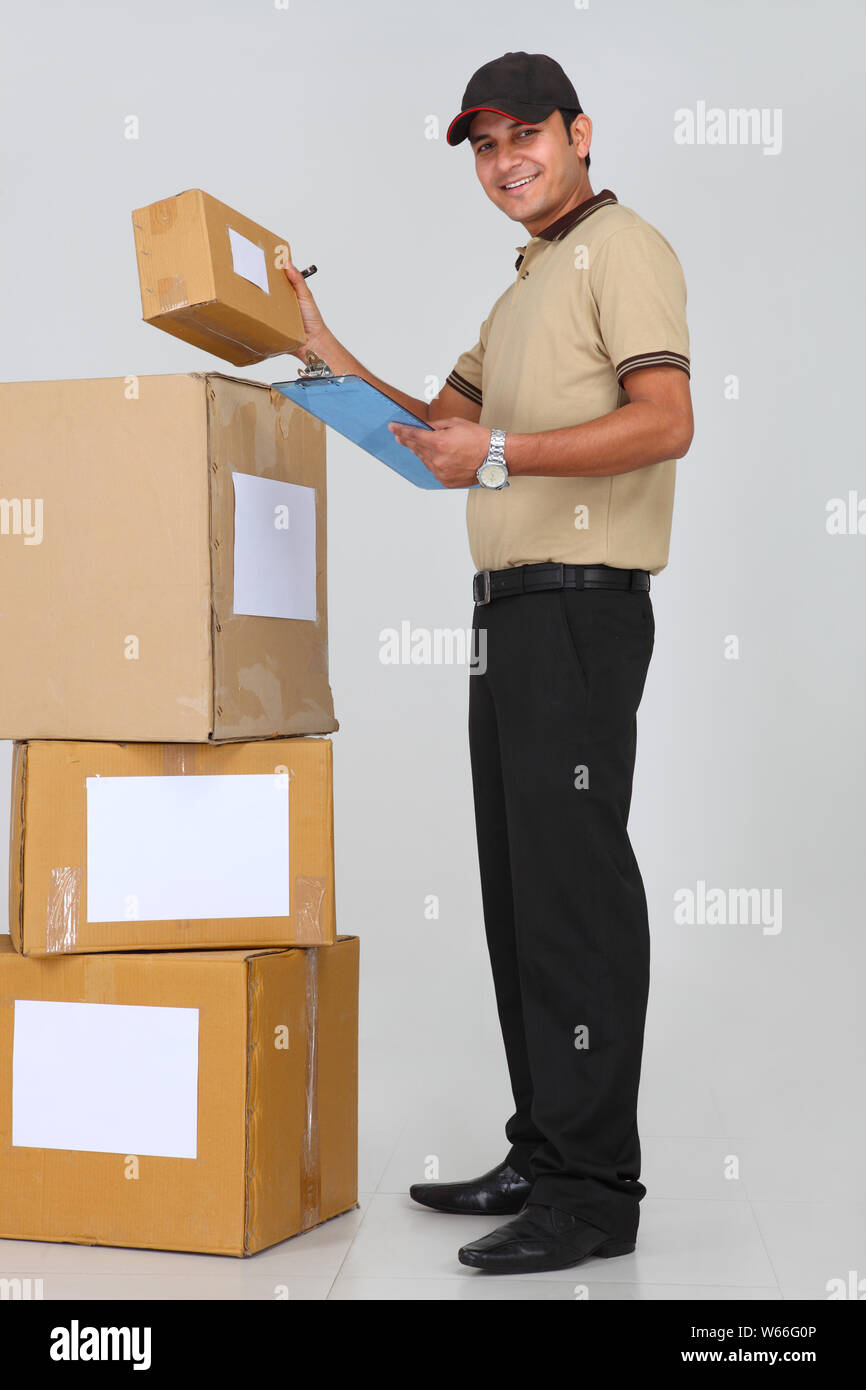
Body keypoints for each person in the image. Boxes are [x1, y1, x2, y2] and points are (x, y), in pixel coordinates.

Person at [283, 50, 693, 1275]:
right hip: (512, 612)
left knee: (571, 897)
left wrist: (499, 452)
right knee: (520, 896)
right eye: (482, 143)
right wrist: (316, 347)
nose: (503, 159)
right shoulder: (523, 286)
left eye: (525, 135)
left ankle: (592, 1193)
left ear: (577, 133)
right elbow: (430, 443)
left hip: (578, 609)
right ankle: (543, 1147)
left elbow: (664, 420)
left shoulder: (622, 250)